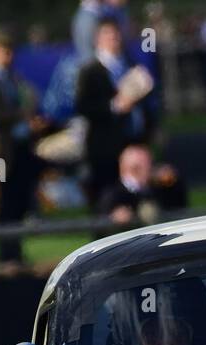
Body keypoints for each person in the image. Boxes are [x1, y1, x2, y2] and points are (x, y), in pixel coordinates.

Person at [0, 28, 43, 262]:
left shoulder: (12, 79)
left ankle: (15, 251)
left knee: (17, 199)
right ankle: (5, 253)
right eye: (5, 51)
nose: (9, 56)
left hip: (16, 147)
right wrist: (20, 116)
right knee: (3, 200)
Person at [76, 16, 153, 206]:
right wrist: (114, 106)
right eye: (108, 34)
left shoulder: (130, 65)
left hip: (133, 142)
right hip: (105, 149)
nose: (114, 38)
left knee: (136, 200)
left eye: (116, 33)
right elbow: (83, 107)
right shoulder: (90, 71)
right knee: (108, 202)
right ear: (97, 39)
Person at [97, 143, 187, 224]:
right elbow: (100, 225)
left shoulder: (158, 189)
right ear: (134, 169)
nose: (151, 168)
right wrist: (114, 219)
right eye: (148, 164)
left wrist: (173, 182)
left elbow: (180, 208)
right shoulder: (113, 194)